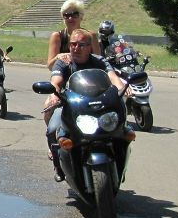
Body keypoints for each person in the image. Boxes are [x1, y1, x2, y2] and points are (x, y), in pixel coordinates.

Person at [43, 28, 130, 181]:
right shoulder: (64, 62)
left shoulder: (99, 61)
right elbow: (56, 81)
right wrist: (54, 94)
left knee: (122, 131)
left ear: (90, 47)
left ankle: (120, 163)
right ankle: (58, 163)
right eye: (73, 44)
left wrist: (123, 89)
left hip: (99, 105)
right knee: (52, 128)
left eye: (81, 45)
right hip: (71, 106)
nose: (76, 48)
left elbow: (113, 77)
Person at [46, 0, 100, 70]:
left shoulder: (91, 35)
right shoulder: (57, 36)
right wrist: (58, 57)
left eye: (75, 14)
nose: (70, 18)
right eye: (66, 15)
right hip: (64, 75)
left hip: (87, 74)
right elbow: (50, 66)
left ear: (81, 16)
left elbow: (99, 62)